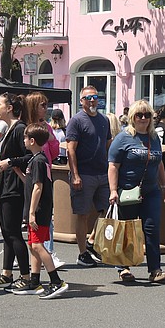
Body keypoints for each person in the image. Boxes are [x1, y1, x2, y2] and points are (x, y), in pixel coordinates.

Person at [107, 99, 165, 283]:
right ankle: (123, 267)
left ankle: (155, 270)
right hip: (127, 191)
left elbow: (159, 163)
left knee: (151, 229)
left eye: (147, 115)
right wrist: (113, 190)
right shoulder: (123, 137)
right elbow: (113, 166)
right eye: (139, 115)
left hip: (150, 191)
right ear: (132, 117)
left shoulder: (154, 138)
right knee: (126, 229)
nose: (143, 118)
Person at [10, 123, 68, 299]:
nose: (24, 140)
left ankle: (56, 281)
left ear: (32, 140)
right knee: (33, 245)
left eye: (26, 138)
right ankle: (34, 281)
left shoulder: (38, 161)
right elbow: (31, 182)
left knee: (37, 245)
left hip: (39, 210)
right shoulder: (36, 160)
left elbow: (37, 187)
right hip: (35, 209)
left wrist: (32, 212)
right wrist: (19, 173)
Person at [0, 93, 32, 291]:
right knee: (7, 233)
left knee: (13, 233)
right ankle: (6, 273)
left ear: (10, 107)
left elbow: (29, 156)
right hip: (6, 186)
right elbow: (7, 154)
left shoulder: (19, 128)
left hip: (15, 187)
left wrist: (10, 162)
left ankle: (26, 276)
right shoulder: (10, 128)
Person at [65, 86, 110, 267]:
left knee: (107, 211)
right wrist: (75, 175)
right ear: (81, 101)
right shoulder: (76, 121)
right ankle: (82, 253)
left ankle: (91, 241)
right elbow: (70, 149)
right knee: (82, 214)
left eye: (95, 97)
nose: (92, 100)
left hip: (103, 173)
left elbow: (108, 145)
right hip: (83, 173)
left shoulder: (104, 120)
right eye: (88, 98)